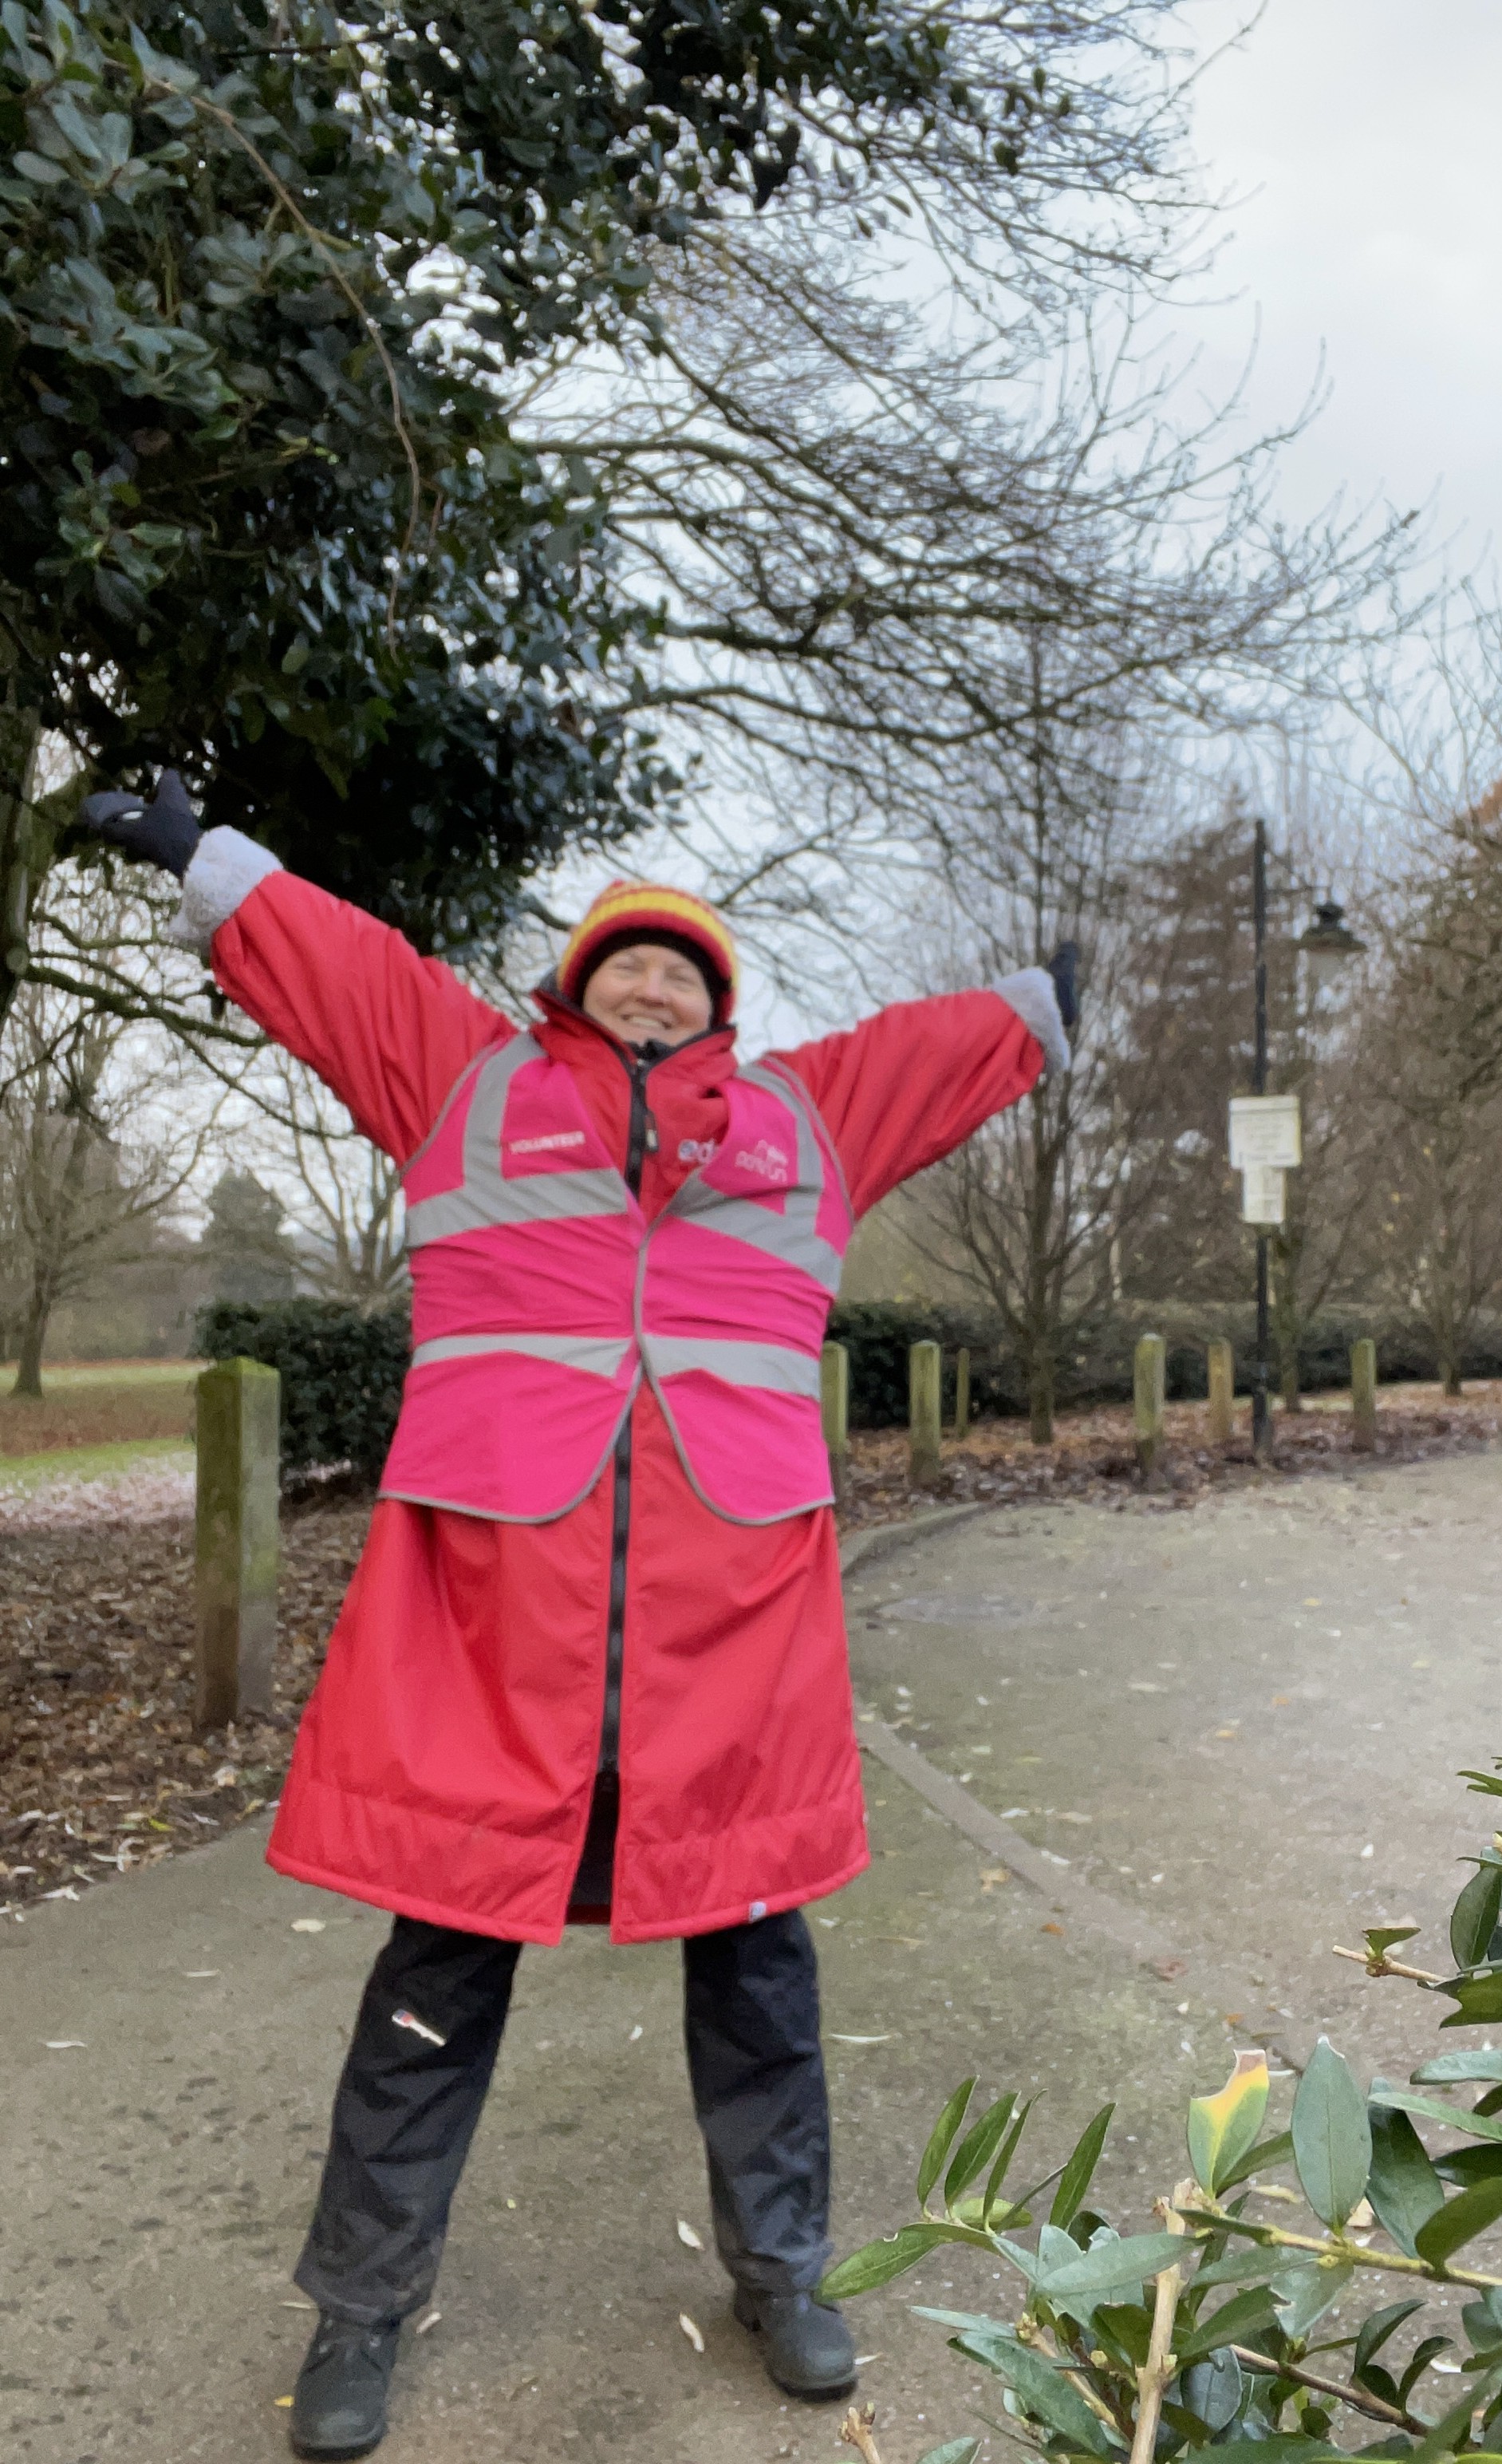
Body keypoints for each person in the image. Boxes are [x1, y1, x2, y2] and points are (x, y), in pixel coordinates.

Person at [77, 770, 1076, 2462]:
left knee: (761, 1979)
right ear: (577, 984)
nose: (655, 986)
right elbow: (344, 968)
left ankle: (785, 2274)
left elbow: (938, 1048)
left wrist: (1042, 1004)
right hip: (492, 1641)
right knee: (434, 1976)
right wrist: (210, 861)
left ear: (721, 1007)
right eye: (628, 963)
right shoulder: (466, 1080)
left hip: (727, 1652)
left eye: (684, 970)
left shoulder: (807, 1122)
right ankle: (360, 2307)